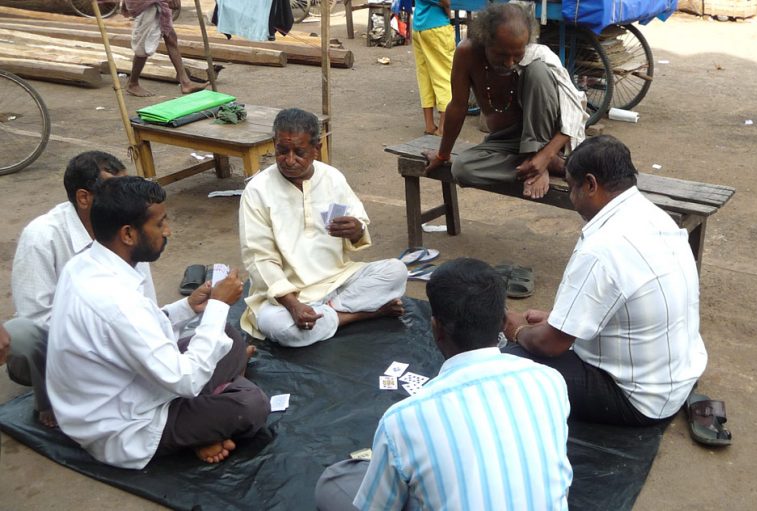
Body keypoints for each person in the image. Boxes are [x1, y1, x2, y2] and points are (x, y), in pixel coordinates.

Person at [46, 177, 270, 469]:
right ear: (128, 233)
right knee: (252, 405)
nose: (168, 231)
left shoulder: (87, 263)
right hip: (123, 425)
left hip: (132, 385)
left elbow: (140, 329)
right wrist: (217, 305)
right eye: (160, 223)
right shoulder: (114, 301)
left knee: (230, 338)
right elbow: (185, 380)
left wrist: (188, 306)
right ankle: (199, 430)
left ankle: (206, 418)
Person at [315, 258, 572, 511]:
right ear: (504, 323)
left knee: (335, 483)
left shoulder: (403, 419)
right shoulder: (549, 381)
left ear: (436, 328)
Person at [504, 135, 708, 426]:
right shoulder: (655, 216)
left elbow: (550, 345)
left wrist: (518, 330)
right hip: (677, 378)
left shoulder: (601, 248)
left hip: (639, 400)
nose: (572, 199)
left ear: (590, 185)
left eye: (573, 188)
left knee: (505, 361)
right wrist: (559, 319)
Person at [239, 108, 408, 348]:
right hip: (286, 296)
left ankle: (326, 315)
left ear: (316, 149)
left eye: (299, 152)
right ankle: (365, 314)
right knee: (283, 328)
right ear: (274, 145)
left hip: (338, 280)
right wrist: (293, 305)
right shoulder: (257, 191)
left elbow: (358, 221)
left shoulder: (332, 177)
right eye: (281, 151)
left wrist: (357, 230)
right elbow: (260, 258)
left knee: (397, 270)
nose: (289, 160)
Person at [3, 151, 131, 428]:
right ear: (84, 198)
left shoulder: (124, 228)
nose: (124, 200)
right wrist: (99, 336)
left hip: (110, 333)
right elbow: (36, 316)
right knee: (22, 333)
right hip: (64, 342)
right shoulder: (42, 236)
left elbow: (141, 297)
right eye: (113, 191)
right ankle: (48, 399)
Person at [424, 3, 587, 200]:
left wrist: (546, 153)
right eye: (501, 55)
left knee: (537, 72)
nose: (510, 63)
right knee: (462, 169)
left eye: (517, 55)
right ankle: (538, 165)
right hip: (504, 142)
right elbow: (458, 107)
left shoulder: (539, 55)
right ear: (484, 40)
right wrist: (443, 155)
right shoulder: (467, 53)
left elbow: (573, 116)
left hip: (545, 139)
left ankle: (539, 159)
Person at [123, 0, 208, 97]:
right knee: (145, 45)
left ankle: (185, 82)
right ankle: (132, 83)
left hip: (157, 4)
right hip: (147, 5)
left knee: (171, 38)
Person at [411, 0, 455, 135]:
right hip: (437, 28)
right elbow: (446, 2)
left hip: (418, 27)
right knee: (444, 76)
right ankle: (443, 127)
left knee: (425, 77)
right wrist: (448, 13)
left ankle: (429, 125)